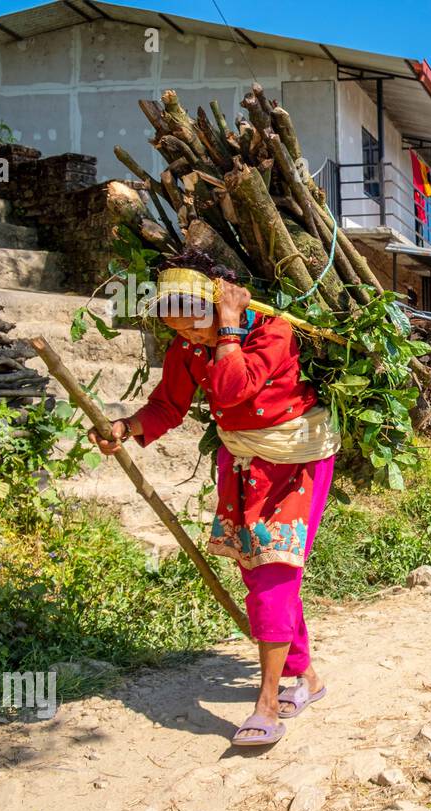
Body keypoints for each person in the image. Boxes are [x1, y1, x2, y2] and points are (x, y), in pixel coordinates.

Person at [90, 254, 338, 746]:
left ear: (216, 307)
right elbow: (168, 404)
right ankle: (306, 676)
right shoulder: (189, 345)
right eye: (179, 331)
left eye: (196, 327)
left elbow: (232, 386)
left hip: (296, 461)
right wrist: (126, 427)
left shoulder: (273, 331)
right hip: (243, 465)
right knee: (261, 568)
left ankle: (267, 705)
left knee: (273, 571)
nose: (191, 339)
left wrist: (226, 332)